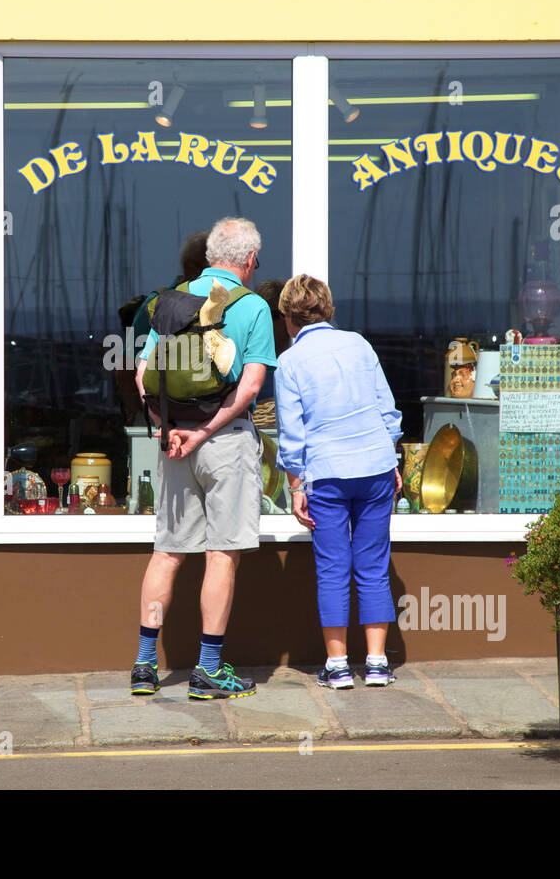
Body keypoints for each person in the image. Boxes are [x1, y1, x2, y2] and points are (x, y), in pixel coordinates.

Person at [129, 217, 277, 699]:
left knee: (167, 552)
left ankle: (145, 666)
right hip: (226, 441)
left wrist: (167, 428)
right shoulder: (252, 306)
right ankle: (209, 669)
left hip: (173, 442)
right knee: (221, 554)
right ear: (250, 260)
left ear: (211, 254)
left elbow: (143, 376)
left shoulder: (170, 301)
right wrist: (206, 432)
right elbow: (251, 385)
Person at [273, 274, 403, 689]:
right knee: (374, 567)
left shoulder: (290, 362)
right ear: (328, 310)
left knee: (332, 570)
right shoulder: (359, 344)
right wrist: (393, 457)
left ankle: (338, 665)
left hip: (327, 473)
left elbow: (292, 436)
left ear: (289, 318)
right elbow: (387, 408)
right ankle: (378, 663)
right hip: (376, 466)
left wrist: (296, 487)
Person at [115, 232, 210, 424]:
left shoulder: (218, 304)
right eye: (213, 269)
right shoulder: (158, 304)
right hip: (164, 421)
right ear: (192, 268)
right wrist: (147, 416)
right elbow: (126, 368)